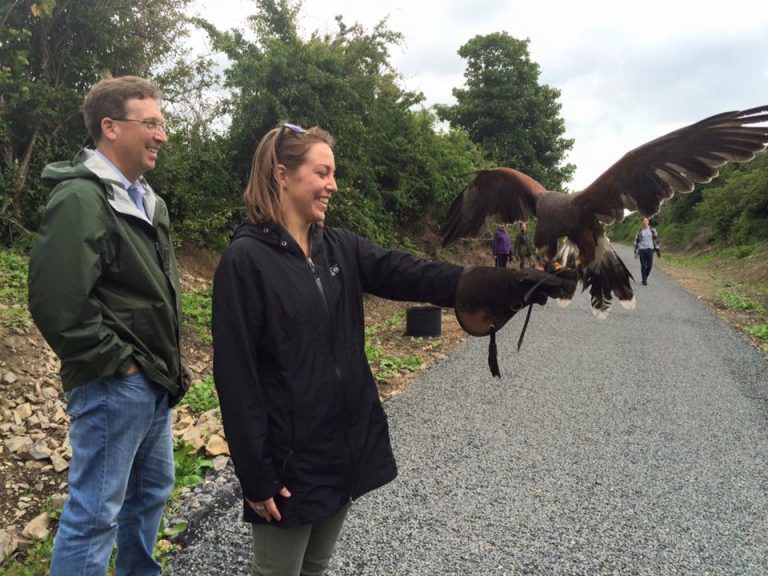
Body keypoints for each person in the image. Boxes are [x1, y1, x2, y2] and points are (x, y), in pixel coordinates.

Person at [211, 122, 575, 576]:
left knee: (315, 568)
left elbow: (408, 272)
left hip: (341, 446)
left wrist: (493, 284)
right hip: (288, 461)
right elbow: (235, 375)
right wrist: (255, 473)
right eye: (322, 173)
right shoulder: (245, 261)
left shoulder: (337, 247)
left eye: (333, 173)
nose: (333, 185)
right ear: (282, 174)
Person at [28, 76, 188, 576]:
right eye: (152, 123)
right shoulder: (82, 197)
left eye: (163, 123)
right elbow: (58, 301)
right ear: (110, 127)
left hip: (152, 382)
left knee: (150, 495)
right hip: (114, 384)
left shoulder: (142, 198)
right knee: (95, 516)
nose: (162, 134)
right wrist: (121, 364)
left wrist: (155, 370)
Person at [634, 217, 661, 285]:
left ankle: (645, 277)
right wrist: (636, 252)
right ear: (642, 223)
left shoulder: (652, 230)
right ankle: (644, 280)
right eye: (644, 221)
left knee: (649, 266)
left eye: (646, 221)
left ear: (648, 222)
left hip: (650, 249)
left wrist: (658, 250)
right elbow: (637, 242)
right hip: (642, 249)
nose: (645, 222)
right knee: (643, 265)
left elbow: (656, 240)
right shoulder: (639, 231)